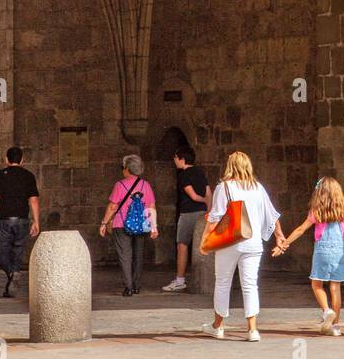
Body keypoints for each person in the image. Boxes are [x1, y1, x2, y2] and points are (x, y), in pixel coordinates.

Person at [200, 151, 285, 342]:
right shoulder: (257, 187)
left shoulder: (225, 187)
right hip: (253, 243)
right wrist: (279, 236)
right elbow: (272, 213)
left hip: (230, 242)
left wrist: (205, 240)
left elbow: (215, 216)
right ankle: (252, 329)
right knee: (250, 285)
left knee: (222, 282)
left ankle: (218, 326)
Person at [272, 176, 344, 335]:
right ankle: (336, 326)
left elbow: (300, 230)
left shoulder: (317, 211)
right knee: (335, 287)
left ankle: (326, 311)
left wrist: (283, 245)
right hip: (339, 251)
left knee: (317, 284)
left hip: (322, 251)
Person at [99, 155, 158, 297]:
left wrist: (104, 223)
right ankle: (136, 285)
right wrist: (154, 227)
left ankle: (128, 287)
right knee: (138, 255)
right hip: (142, 224)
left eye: (123, 167)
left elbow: (113, 206)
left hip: (121, 224)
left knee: (125, 255)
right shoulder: (146, 185)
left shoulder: (120, 185)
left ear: (127, 169)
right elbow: (151, 206)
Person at [0, 146, 40, 299]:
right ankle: (13, 276)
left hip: (4, 219)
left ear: (6, 159)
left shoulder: (0, 175)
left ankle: (11, 274)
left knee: (0, 252)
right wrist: (36, 221)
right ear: (22, 160)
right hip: (22, 220)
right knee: (17, 251)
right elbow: (34, 200)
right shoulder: (29, 176)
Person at [162, 146, 212, 293]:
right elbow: (209, 192)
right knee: (201, 245)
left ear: (182, 159)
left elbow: (193, 196)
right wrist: (208, 208)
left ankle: (180, 279)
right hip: (202, 212)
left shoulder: (183, 175)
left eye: (176, 158)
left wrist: (202, 200)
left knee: (182, 245)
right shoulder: (200, 173)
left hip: (188, 213)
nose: (175, 161)